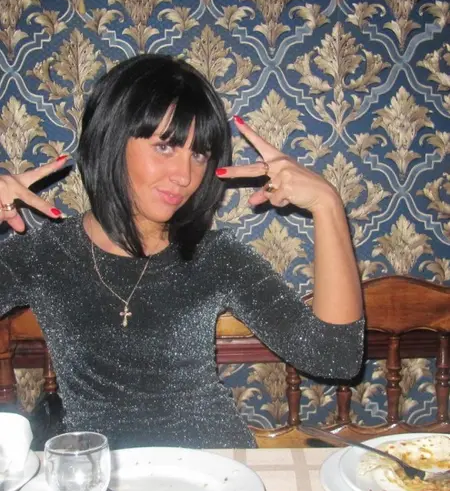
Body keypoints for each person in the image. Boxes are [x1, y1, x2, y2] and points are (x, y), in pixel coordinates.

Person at [0, 54, 363, 449]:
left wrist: (327, 204)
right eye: (165, 147)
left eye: (198, 154)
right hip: (102, 473)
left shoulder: (215, 256)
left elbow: (335, 357)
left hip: (215, 467)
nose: (184, 175)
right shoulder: (44, 255)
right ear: (111, 139)